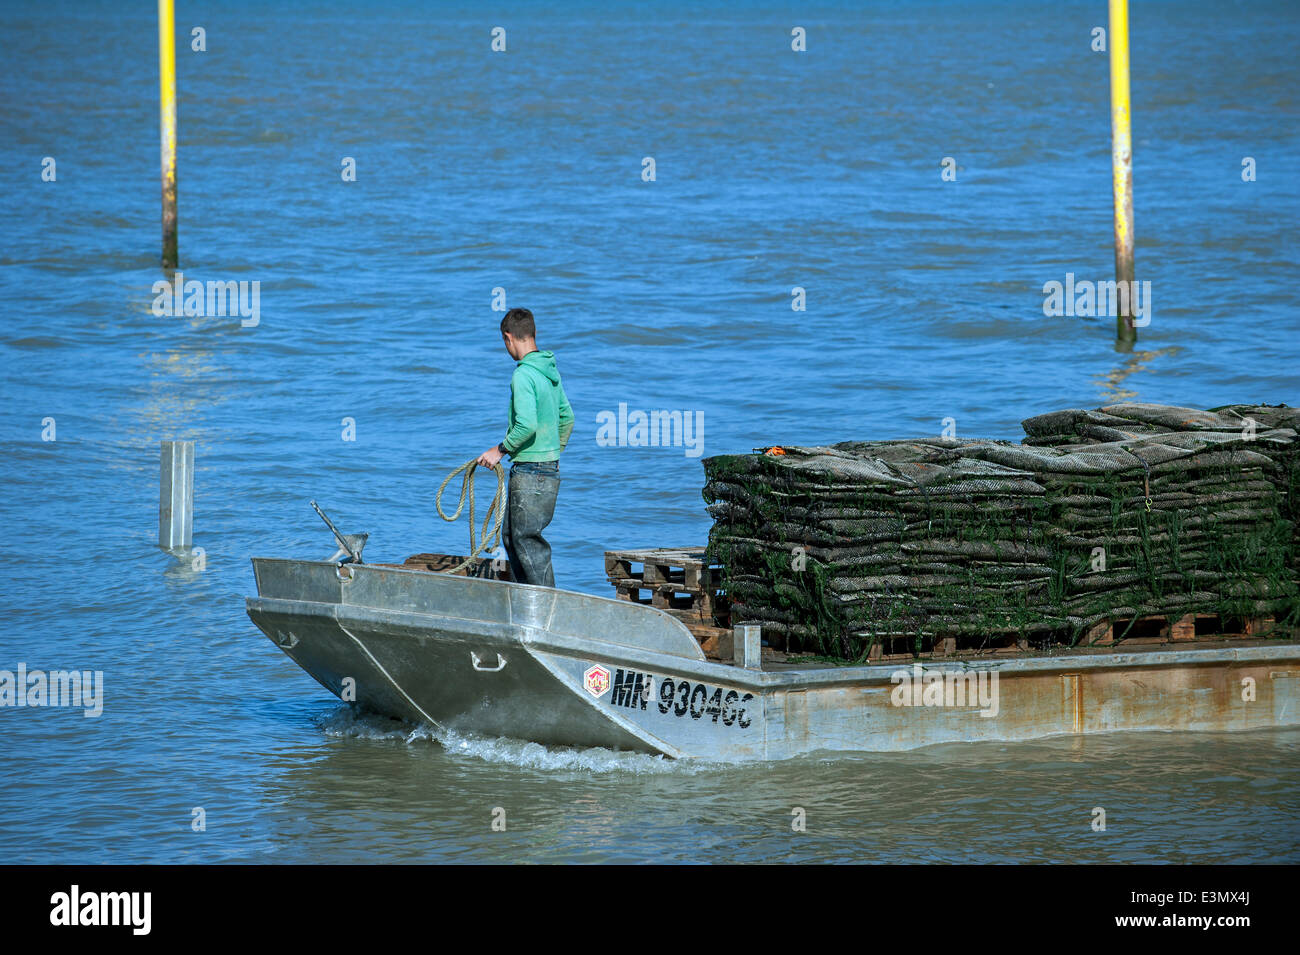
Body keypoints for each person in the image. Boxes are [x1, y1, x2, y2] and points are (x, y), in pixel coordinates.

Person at [475, 308, 573, 587]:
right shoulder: (549, 372)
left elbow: (526, 425)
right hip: (546, 469)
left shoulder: (523, 376)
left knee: (526, 541)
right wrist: (551, 452)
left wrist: (499, 451)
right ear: (532, 334)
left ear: (508, 338)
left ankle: (547, 605)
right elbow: (568, 418)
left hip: (531, 472)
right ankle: (524, 599)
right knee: (511, 537)